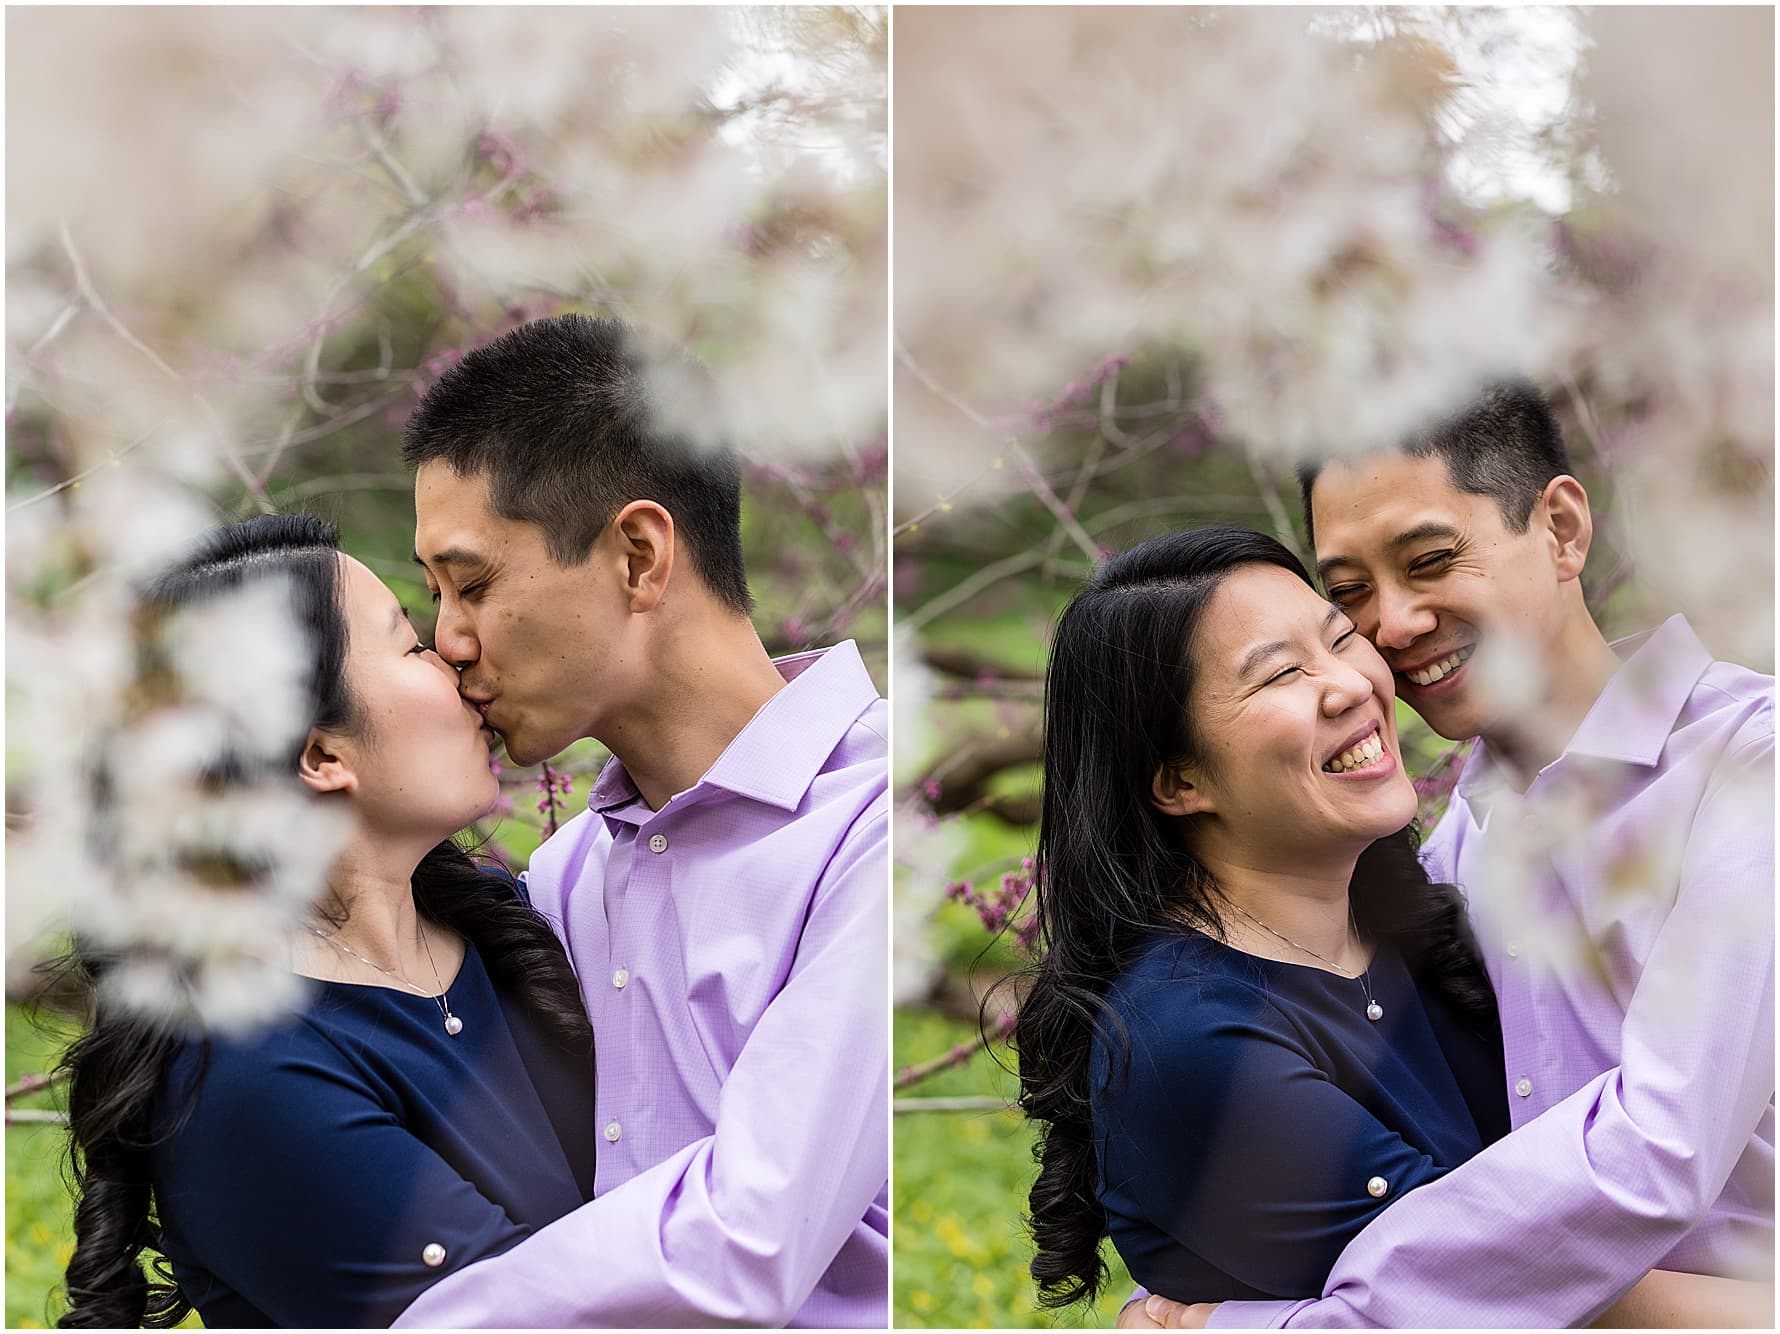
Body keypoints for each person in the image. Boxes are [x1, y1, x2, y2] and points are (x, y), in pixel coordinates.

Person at [1131, 380, 1773, 1328]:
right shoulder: (1462, 840)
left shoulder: (1746, 774)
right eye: (1349, 594)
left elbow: (1656, 1156)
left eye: (1431, 560)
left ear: (1559, 527)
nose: (1391, 625)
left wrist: (1304, 1317)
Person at [391, 313, 889, 1326]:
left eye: (473, 583)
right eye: (435, 593)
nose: (446, 639)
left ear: (636, 554)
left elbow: (749, 1240)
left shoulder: (878, 831)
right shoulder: (573, 869)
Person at [56, 514, 598, 1328]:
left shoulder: (514, 923)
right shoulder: (253, 1080)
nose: (453, 654)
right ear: (321, 757)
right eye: (410, 644)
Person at [1015, 525, 1512, 1308]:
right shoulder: (1190, 1041)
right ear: (1177, 780)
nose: (1348, 684)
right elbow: (1526, 1290)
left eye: (1341, 637)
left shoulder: (1419, 919)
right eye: (1280, 673)